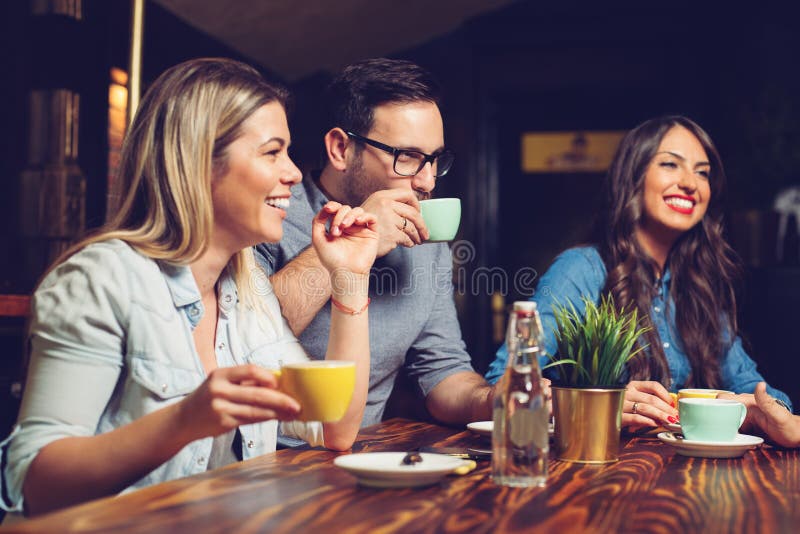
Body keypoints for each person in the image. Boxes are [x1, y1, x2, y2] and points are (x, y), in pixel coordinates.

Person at [0, 58, 378, 518]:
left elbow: (335, 426)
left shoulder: (250, 289)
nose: (295, 173)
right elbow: (33, 484)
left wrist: (350, 276)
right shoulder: (99, 280)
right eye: (272, 152)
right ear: (200, 163)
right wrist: (183, 421)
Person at [485, 115, 792, 431]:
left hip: (688, 462)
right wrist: (603, 404)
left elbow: (752, 386)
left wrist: (771, 411)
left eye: (702, 172)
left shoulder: (702, 284)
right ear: (633, 176)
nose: (691, 183)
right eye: (670, 164)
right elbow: (504, 386)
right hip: (596, 459)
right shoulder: (580, 270)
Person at [256, 58, 497, 428]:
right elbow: (245, 342)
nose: (428, 182)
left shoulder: (425, 242)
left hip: (365, 452)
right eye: (408, 157)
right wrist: (346, 247)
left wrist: (491, 400)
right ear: (341, 149)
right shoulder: (269, 217)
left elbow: (442, 370)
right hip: (269, 451)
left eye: (435, 159)